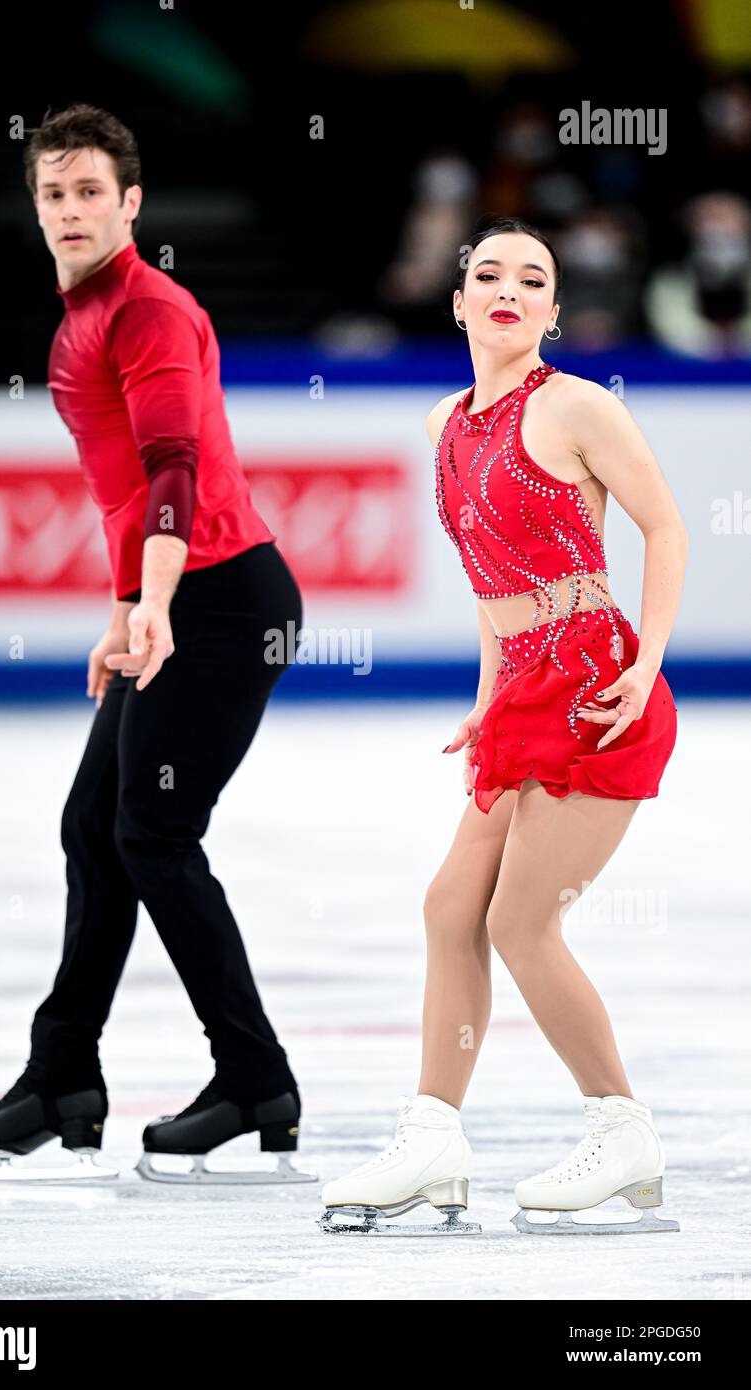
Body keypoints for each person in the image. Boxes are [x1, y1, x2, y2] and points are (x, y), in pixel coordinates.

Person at [0, 103, 306, 1185]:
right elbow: (118, 493)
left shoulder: (147, 312)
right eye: (53, 192)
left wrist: (150, 603)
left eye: (90, 191)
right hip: (176, 596)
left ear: (131, 203)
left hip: (223, 600)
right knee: (93, 828)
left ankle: (252, 1077)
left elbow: (169, 471)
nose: (69, 209)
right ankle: (62, 1075)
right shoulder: (81, 317)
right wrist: (123, 609)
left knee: (149, 831)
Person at [320, 216, 686, 1236]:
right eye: (488, 274)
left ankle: (622, 1130)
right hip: (523, 689)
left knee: (517, 921)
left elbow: (662, 526)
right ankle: (432, 1135)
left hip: (594, 688)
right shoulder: (445, 418)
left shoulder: (576, 407)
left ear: (553, 312)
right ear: (458, 301)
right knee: (450, 905)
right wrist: (486, 694)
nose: (508, 289)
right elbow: (493, 580)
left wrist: (644, 659)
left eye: (532, 278)